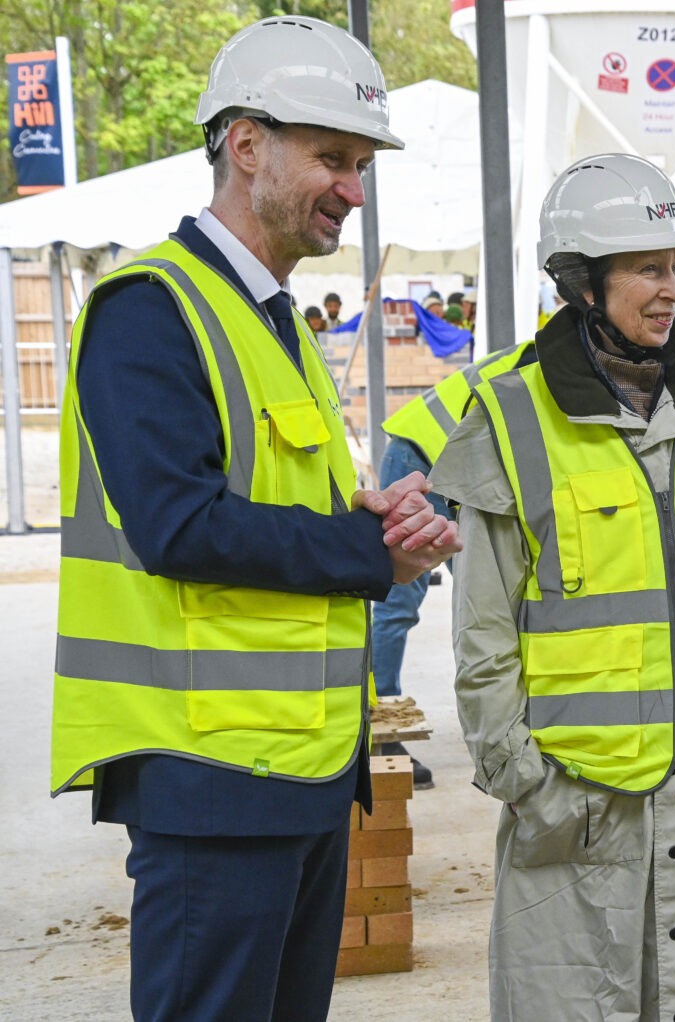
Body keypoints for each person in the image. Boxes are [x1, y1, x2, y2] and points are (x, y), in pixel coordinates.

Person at [49, 15, 459, 1021]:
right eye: (333, 158)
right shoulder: (152, 307)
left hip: (302, 769)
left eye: (360, 165)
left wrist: (371, 515)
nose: (354, 191)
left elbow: (269, 503)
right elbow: (179, 525)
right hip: (213, 775)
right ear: (244, 144)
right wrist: (370, 551)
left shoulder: (270, 320)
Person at [431, 152, 675, 1022]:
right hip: (581, 818)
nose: (672, 288)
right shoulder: (513, 420)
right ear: (584, 282)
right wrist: (528, 783)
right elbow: (484, 635)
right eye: (647, 268)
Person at [371, 341, 533, 789]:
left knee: (493, 603)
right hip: (421, 457)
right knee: (399, 601)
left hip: (447, 455)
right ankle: (383, 730)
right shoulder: (547, 362)